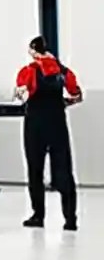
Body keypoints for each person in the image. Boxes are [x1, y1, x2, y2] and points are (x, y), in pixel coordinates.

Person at [14, 35, 83, 230]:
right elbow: (76, 95)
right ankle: (70, 219)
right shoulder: (64, 71)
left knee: (35, 169)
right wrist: (64, 103)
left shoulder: (28, 71)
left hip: (35, 123)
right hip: (57, 122)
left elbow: (21, 95)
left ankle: (38, 215)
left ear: (34, 50)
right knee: (64, 169)